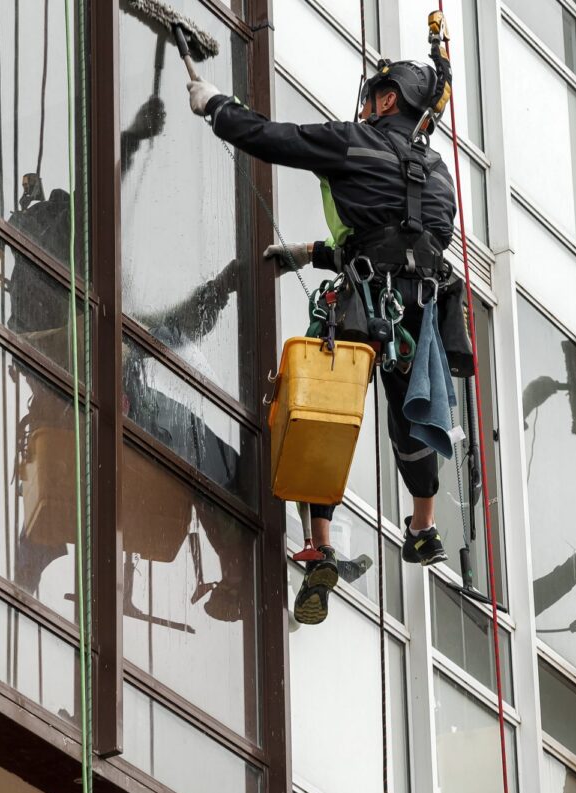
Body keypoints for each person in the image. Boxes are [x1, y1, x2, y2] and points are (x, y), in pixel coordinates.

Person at [187, 58, 474, 626]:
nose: (365, 107)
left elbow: (276, 139)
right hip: (419, 314)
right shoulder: (440, 177)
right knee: (414, 418)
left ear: (388, 101)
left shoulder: (354, 143)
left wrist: (218, 108)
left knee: (322, 412)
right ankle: (423, 526)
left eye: (372, 98)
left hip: (365, 306)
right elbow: (405, 237)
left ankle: (320, 542)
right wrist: (312, 253)